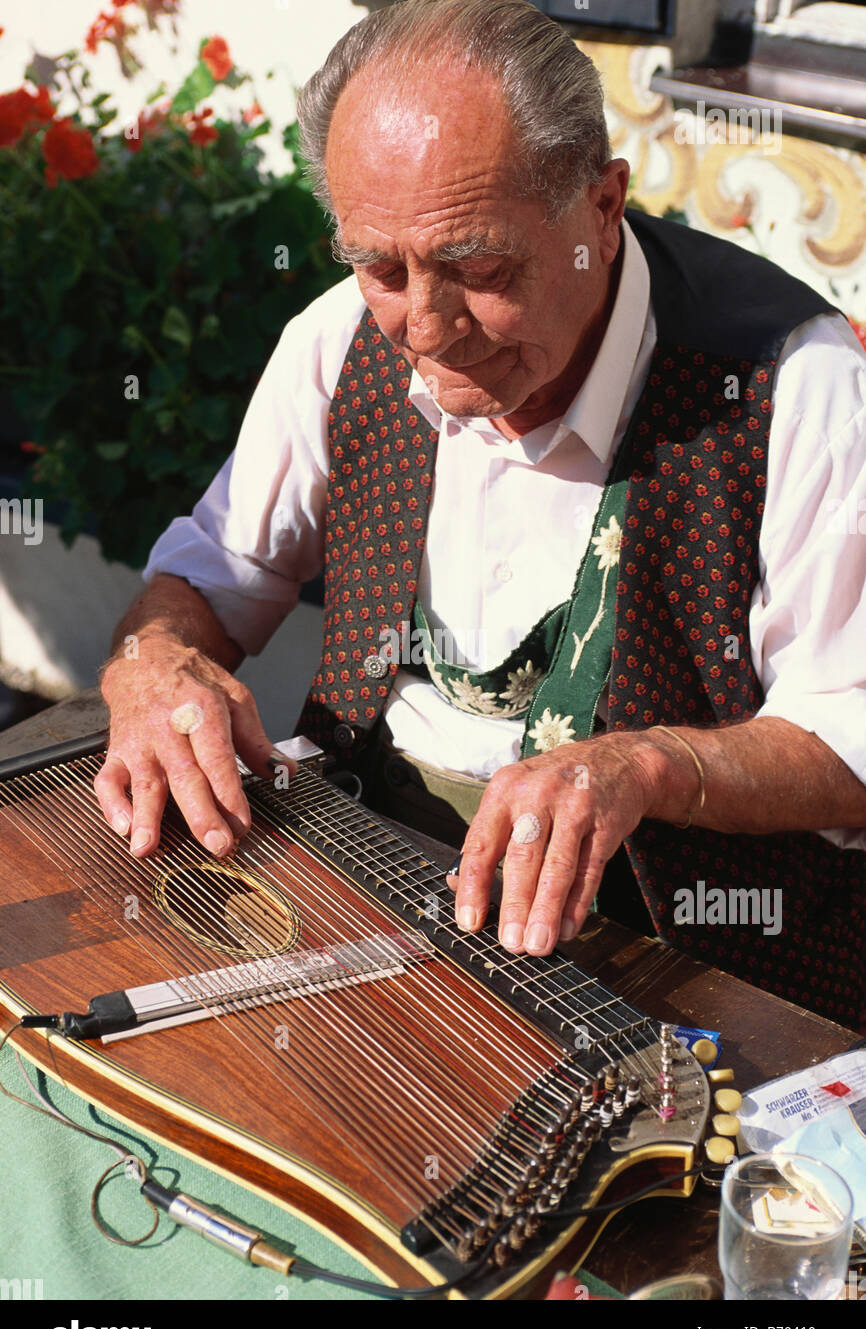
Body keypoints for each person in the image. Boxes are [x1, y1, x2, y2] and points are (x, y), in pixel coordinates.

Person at [96, 0, 866, 1027]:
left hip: (681, 966)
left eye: (481, 269)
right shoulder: (335, 339)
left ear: (600, 207)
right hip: (364, 910)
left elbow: (850, 731)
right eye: (379, 267)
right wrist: (150, 665)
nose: (425, 326)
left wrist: (650, 764)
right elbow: (211, 576)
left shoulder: (789, 385)